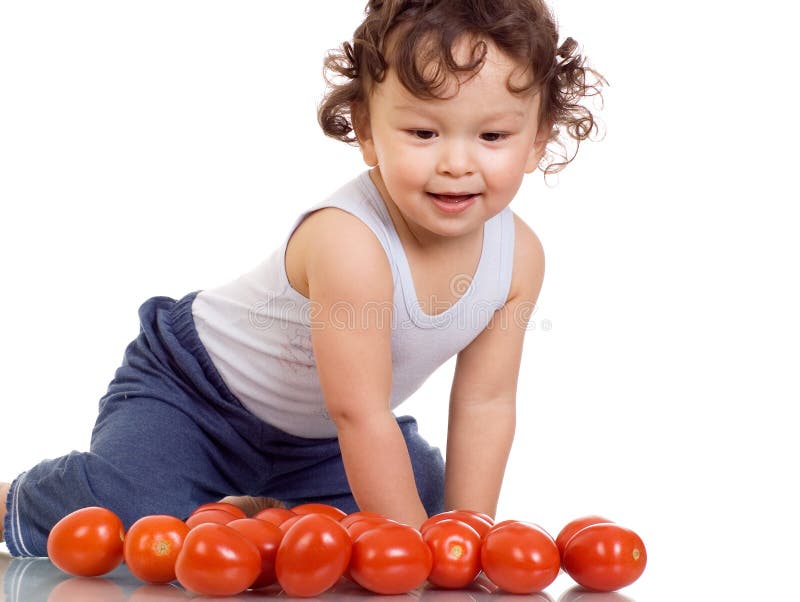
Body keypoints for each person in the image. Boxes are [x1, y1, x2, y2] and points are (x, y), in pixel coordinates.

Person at [1, 0, 604, 557]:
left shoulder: (519, 257)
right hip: (194, 397)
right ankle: (17, 502)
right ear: (366, 130)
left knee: (427, 493)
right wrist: (413, 559)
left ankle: (250, 506)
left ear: (537, 139)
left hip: (316, 440)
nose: (456, 162)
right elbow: (360, 414)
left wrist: (466, 540)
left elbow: (486, 400)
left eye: (493, 136)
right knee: (135, 518)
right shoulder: (350, 242)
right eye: (423, 132)